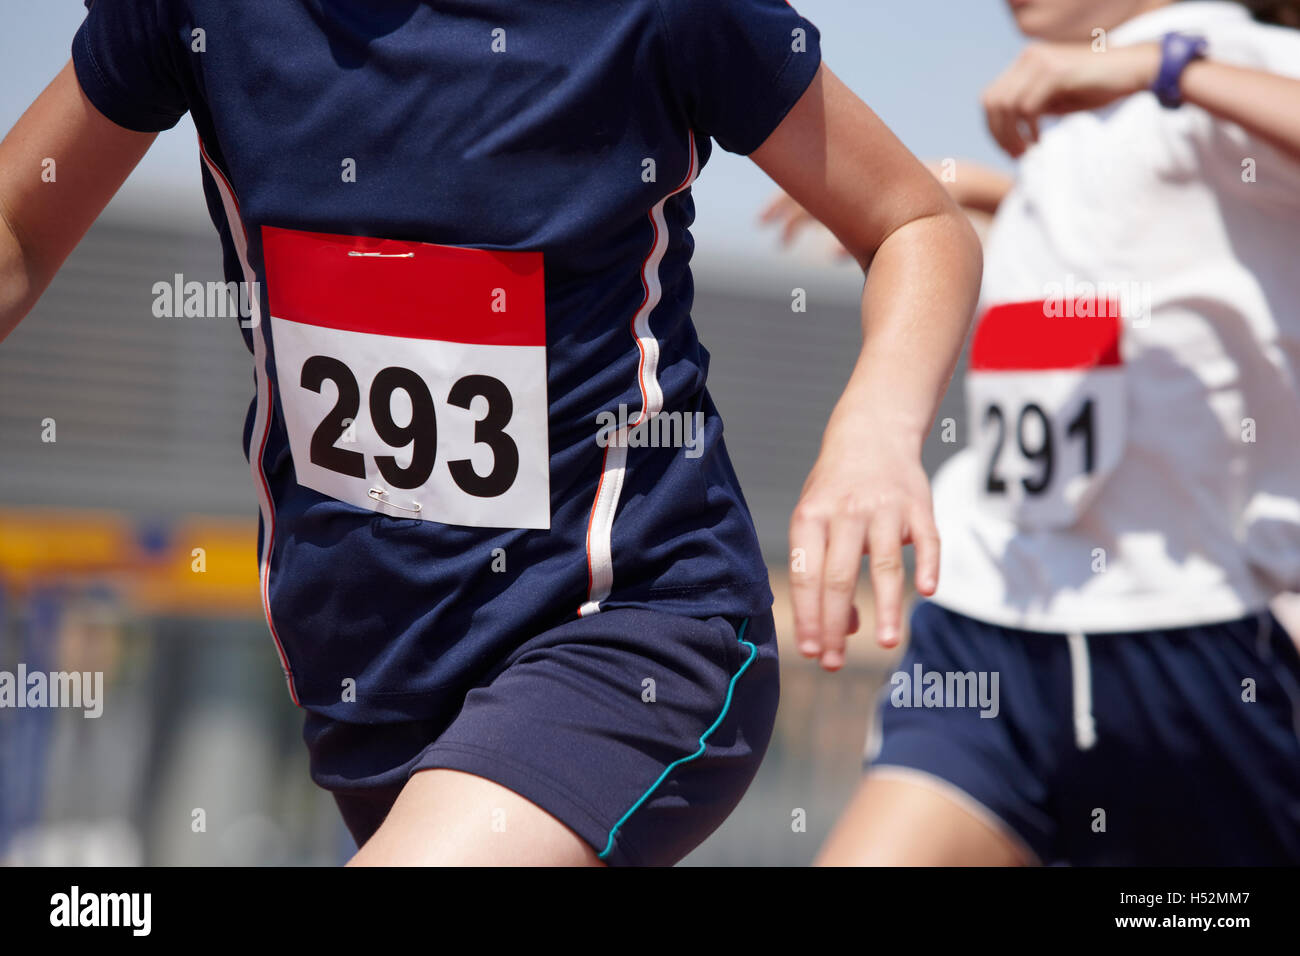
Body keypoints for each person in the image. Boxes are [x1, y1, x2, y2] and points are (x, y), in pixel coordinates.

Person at [0, 1, 981, 865]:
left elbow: (913, 221)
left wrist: (872, 433)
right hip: (366, 682)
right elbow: (20, 228)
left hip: (626, 629)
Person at [801, 0, 1300, 866]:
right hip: (993, 615)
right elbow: (1113, 255)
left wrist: (1168, 69)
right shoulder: (1077, 106)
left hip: (1188, 634)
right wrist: (950, 186)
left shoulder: (1233, 56)